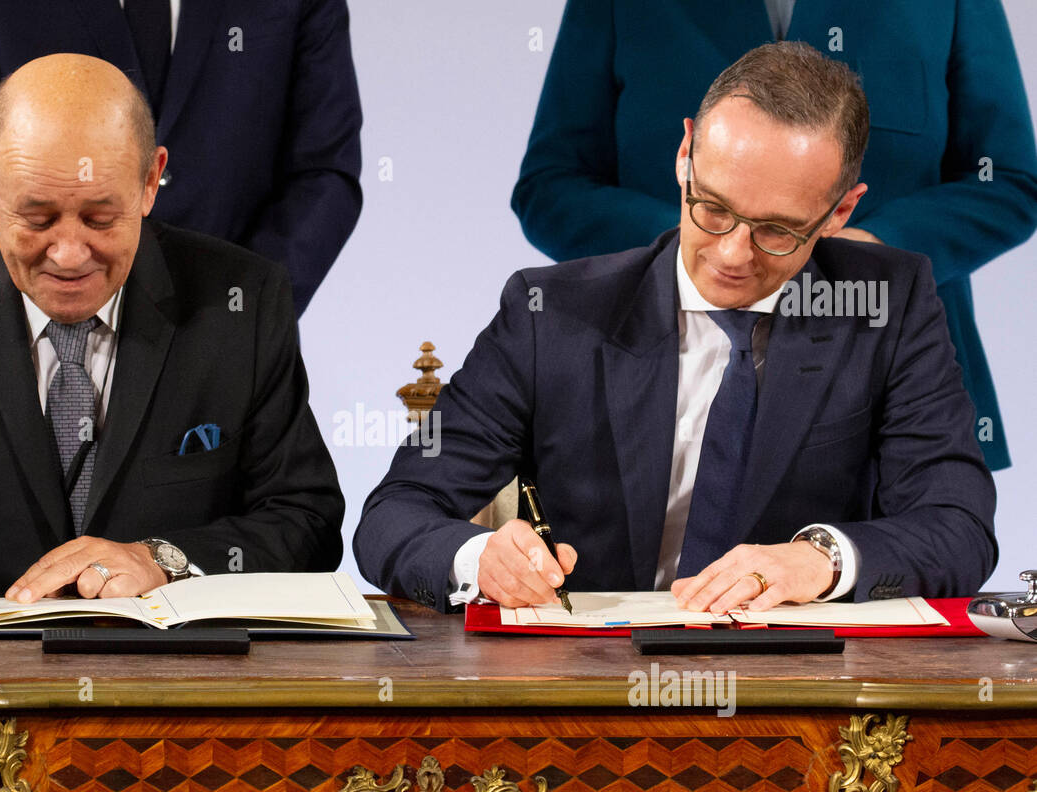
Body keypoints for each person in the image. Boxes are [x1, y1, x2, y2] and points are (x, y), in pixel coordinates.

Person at [355, 42, 996, 614]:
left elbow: (959, 526)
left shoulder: (888, 304)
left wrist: (820, 558)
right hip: (588, 683)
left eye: (777, 230)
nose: (733, 253)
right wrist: (477, 559)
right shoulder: (549, 312)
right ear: (685, 154)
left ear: (841, 211)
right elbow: (394, 512)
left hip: (799, 686)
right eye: (713, 208)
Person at [0, 54, 343, 601]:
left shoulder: (242, 303)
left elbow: (308, 524)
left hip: (179, 678)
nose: (71, 254)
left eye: (102, 218)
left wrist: (163, 561)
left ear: (151, 181)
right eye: (38, 218)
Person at [512, 0, 1037, 471]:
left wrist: (871, 248)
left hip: (887, 377)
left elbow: (1011, 182)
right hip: (654, 373)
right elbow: (551, 186)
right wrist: (696, 237)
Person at [0, 0, 363, 317]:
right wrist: (57, 305)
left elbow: (324, 169)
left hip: (237, 373)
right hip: (38, 364)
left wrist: (239, 311)